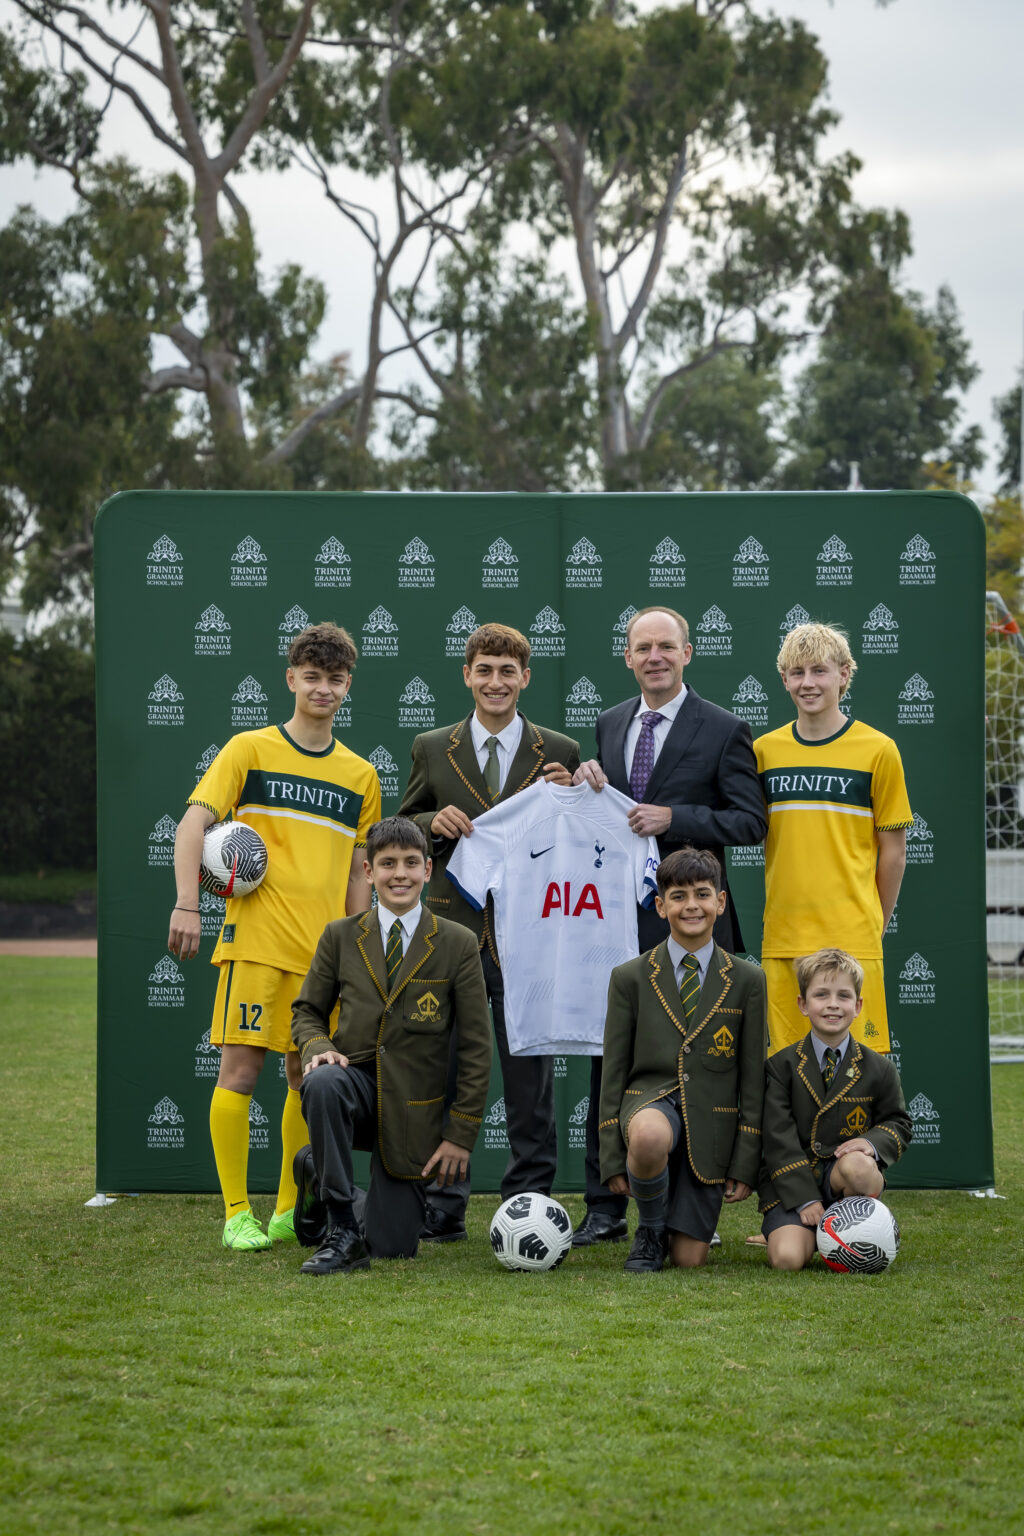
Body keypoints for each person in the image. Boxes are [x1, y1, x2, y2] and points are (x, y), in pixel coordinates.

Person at [167, 622, 381, 1252]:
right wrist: (186, 903)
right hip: (256, 943)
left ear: (347, 687)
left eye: (335, 679)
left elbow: (357, 871)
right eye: (311, 677)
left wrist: (359, 943)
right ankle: (237, 1213)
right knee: (239, 1071)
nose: (323, 688)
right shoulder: (249, 750)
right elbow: (193, 825)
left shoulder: (360, 774)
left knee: (304, 1077)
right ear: (291, 680)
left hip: (324, 956)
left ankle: (289, 1208)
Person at [572, 605, 767, 1245]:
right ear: (627, 657)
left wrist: (673, 816)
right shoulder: (609, 724)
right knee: (614, 1057)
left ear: (688, 654)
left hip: (695, 921)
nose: (654, 656)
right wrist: (582, 781)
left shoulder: (725, 728)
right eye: (642, 647)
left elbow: (749, 821)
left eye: (666, 646)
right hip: (618, 923)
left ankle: (693, 1203)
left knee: (702, 1064)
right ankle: (604, 1202)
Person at [398, 622, 580, 1241]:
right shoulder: (432, 746)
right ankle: (441, 1206)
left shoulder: (559, 748)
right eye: (485, 670)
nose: (495, 682)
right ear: (467, 675)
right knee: (444, 1074)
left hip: (529, 942)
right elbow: (399, 832)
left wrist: (576, 798)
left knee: (529, 1081)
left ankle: (530, 1203)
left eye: (508, 671)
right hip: (450, 938)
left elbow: (576, 843)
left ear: (525, 677)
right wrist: (430, 821)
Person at [291, 816, 493, 1273]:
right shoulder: (340, 935)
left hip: (414, 1109)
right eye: (387, 864)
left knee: (393, 1246)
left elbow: (477, 1048)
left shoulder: (458, 943)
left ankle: (314, 1171)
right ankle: (342, 1229)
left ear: (427, 869)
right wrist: (317, 1045)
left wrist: (460, 1134)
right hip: (355, 1088)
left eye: (409, 863)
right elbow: (306, 1012)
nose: (399, 873)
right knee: (323, 1081)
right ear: (368, 872)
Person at [599, 847, 766, 1272]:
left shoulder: (748, 979)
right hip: (651, 1102)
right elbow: (613, 1070)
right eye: (678, 896)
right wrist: (612, 1156)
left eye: (702, 894)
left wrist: (745, 1162)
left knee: (690, 1261)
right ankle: (650, 1231)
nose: (691, 905)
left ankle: (673, 1212)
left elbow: (751, 1075)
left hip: (712, 1122)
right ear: (660, 905)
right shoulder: (629, 977)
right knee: (651, 1136)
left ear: (721, 903)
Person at [755, 622, 912, 1056]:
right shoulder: (763, 752)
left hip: (853, 941)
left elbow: (894, 853)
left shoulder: (879, 750)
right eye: (797, 672)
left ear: (844, 674)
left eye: (819, 671)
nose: (808, 683)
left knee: (861, 1076)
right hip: (784, 940)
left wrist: (872, 925)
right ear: (784, 678)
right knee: (787, 1077)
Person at [758, 947, 912, 1271]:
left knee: (859, 1167)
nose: (832, 1004)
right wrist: (805, 1199)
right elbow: (777, 1138)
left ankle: (856, 1228)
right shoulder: (780, 1066)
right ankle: (803, 1233)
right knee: (786, 1261)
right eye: (821, 994)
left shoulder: (880, 1068)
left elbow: (899, 1123)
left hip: (843, 1178)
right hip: (793, 1184)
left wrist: (870, 1143)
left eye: (843, 996)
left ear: (857, 1006)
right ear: (802, 1004)